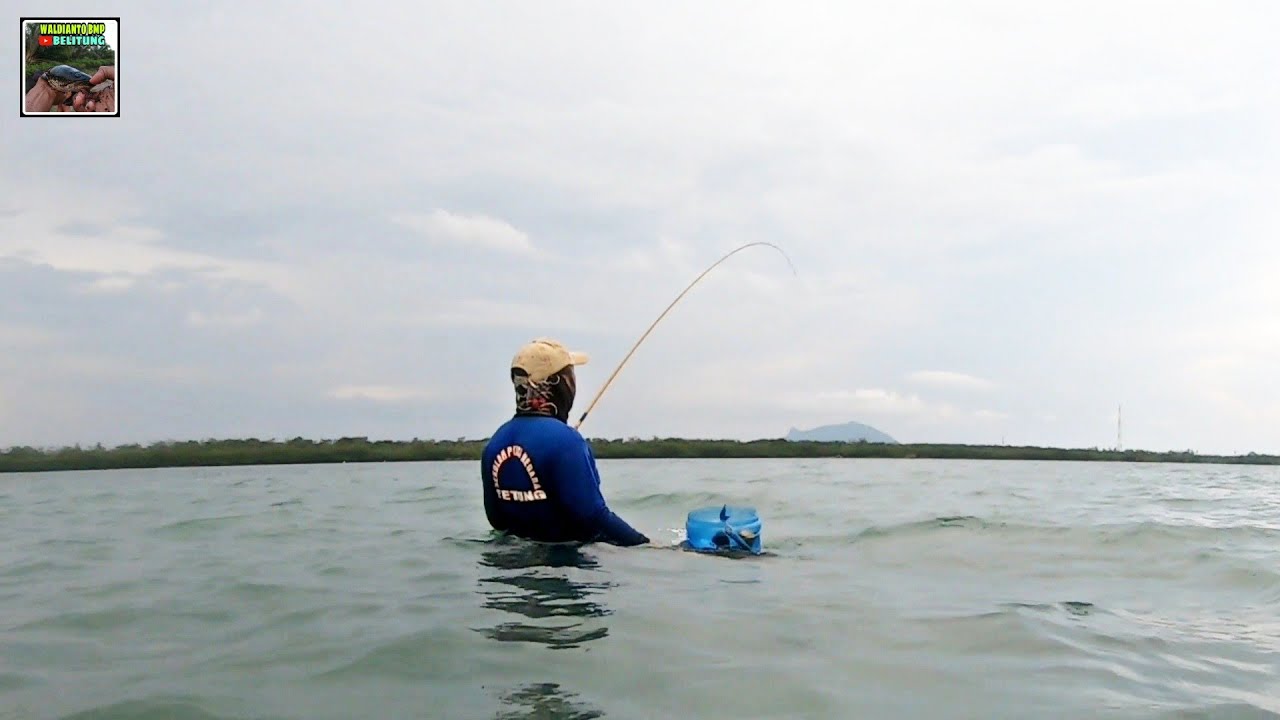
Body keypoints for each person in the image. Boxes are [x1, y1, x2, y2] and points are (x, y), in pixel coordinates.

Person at [481, 337, 649, 546]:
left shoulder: (495, 443)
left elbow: (496, 520)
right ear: (559, 384)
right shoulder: (567, 442)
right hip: (565, 568)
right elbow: (594, 517)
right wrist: (646, 545)